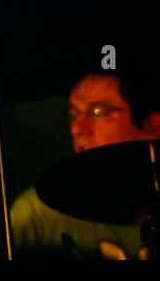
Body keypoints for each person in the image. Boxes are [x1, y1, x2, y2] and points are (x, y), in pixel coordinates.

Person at [9, 68, 160, 259]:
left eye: (97, 111)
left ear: (154, 125)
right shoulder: (37, 214)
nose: (76, 128)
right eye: (73, 115)